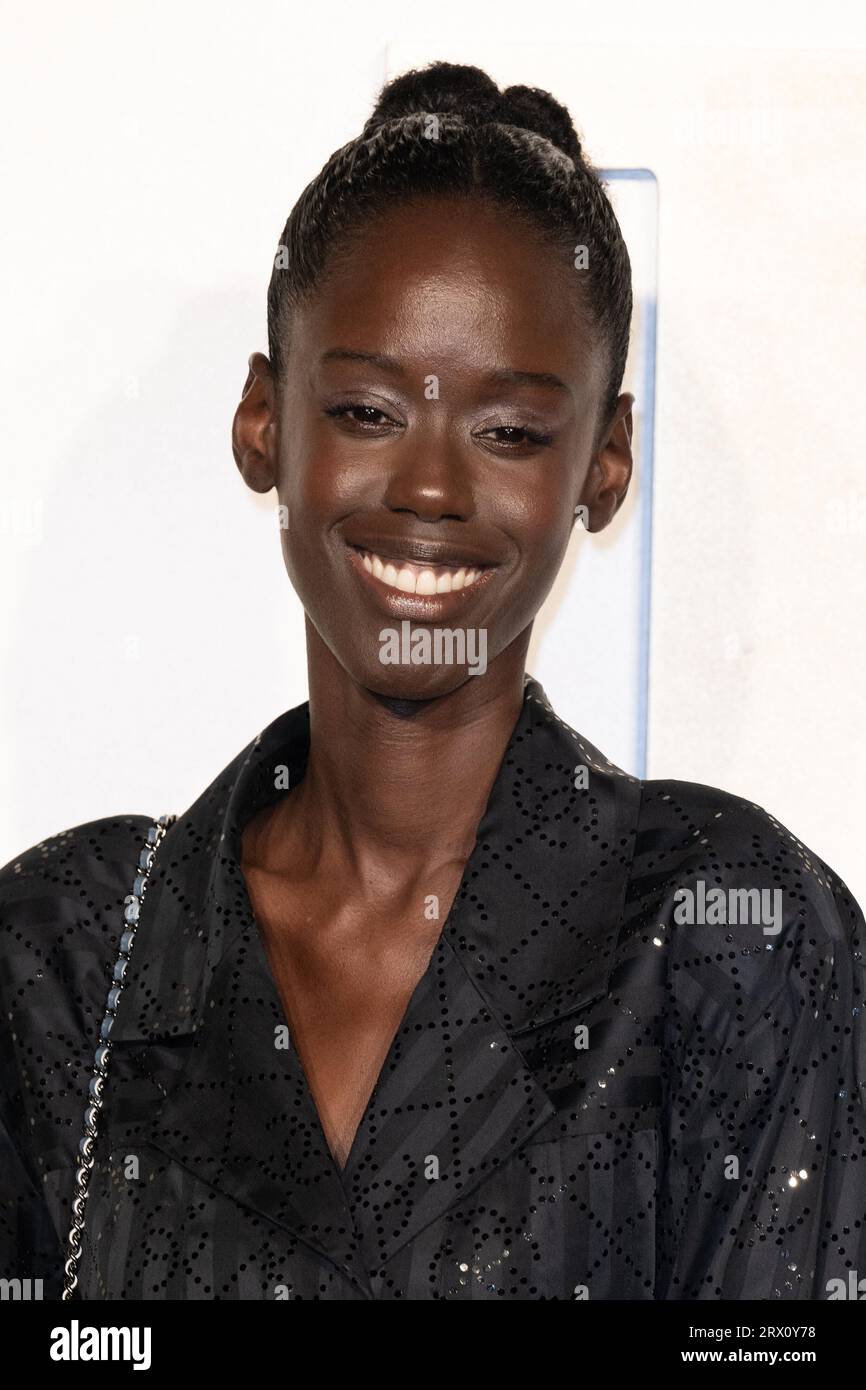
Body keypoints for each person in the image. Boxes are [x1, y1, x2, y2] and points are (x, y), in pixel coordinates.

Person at [1, 60, 863, 1302]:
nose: (430, 489)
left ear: (603, 464)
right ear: (263, 422)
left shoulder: (733, 944)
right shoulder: (66, 959)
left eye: (508, 431)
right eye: (363, 410)